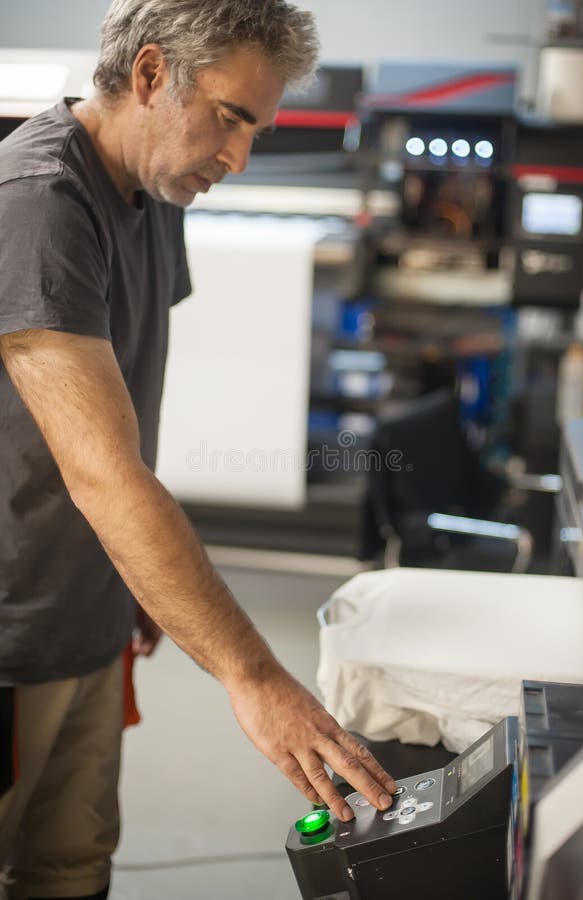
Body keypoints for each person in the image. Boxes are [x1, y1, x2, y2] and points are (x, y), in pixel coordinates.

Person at [0, 1, 396, 897]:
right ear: (149, 75)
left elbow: (128, 399)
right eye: (229, 117)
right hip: (11, 625)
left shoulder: (155, 190)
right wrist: (252, 676)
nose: (239, 157)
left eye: (256, 129)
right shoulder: (37, 203)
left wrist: (148, 581)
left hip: (89, 610)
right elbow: (104, 473)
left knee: (69, 866)